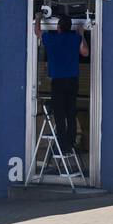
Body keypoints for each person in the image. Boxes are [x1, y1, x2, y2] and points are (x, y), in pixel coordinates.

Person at [33, 14, 90, 153]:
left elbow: (37, 32)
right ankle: (70, 144)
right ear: (69, 27)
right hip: (72, 81)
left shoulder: (52, 39)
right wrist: (82, 34)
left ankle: (62, 146)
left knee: (59, 114)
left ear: (58, 27)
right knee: (71, 112)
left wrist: (38, 18)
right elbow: (85, 53)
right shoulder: (74, 39)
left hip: (58, 81)